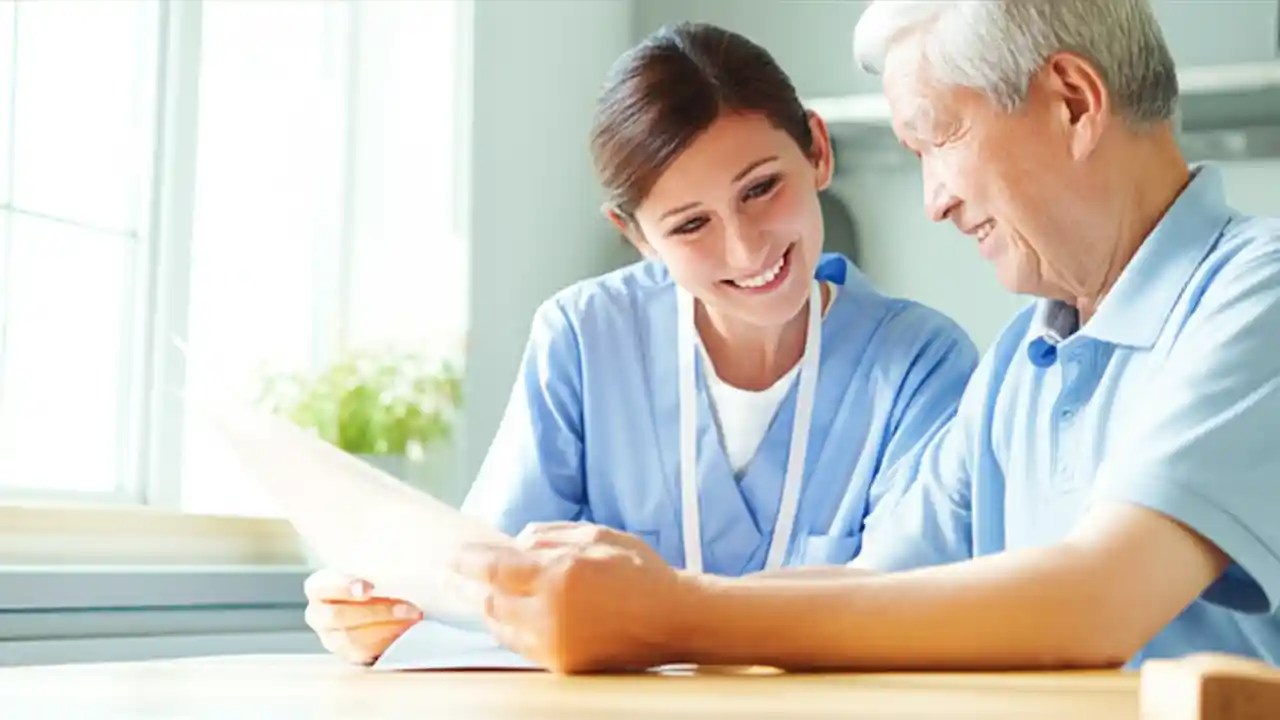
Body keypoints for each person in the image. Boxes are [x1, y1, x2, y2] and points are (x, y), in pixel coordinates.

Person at [454, 0, 1280, 674]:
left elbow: (1100, 599)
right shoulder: (1019, 371)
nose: (934, 200)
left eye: (939, 139)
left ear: (1073, 100)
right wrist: (623, 601)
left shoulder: (1256, 293)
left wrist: (669, 613)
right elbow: (870, 590)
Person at [303, 22, 978, 665]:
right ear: (636, 237)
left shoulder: (921, 364)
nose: (746, 248)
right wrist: (380, 611)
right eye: (690, 225)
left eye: (762, 188)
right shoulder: (583, 341)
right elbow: (488, 586)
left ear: (818, 152)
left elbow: (903, 604)